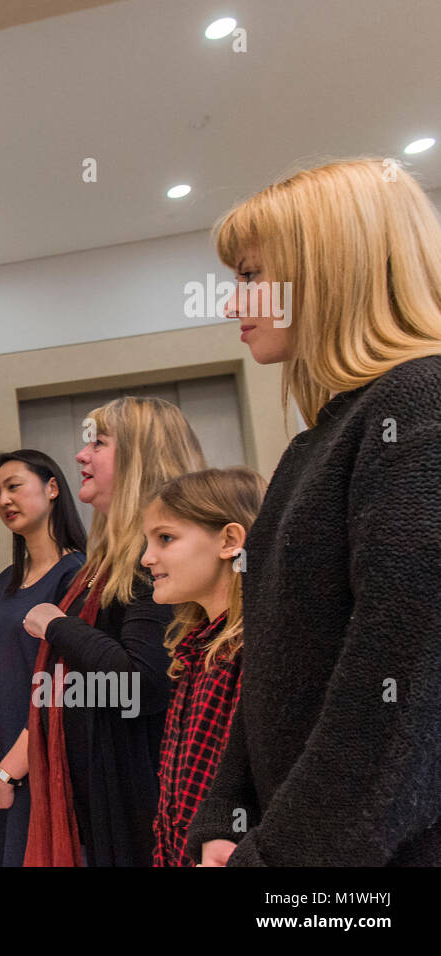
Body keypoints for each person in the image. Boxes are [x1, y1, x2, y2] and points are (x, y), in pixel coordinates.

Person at [186, 158, 441, 866]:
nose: (232, 304)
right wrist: (225, 815)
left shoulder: (419, 407)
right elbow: (279, 667)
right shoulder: (319, 441)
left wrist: (277, 862)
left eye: (250, 276)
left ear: (331, 270)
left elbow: (401, 693)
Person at [21, 396, 205, 866]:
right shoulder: (110, 560)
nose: (80, 456)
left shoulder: (155, 563)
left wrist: (57, 626)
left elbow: (140, 684)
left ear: (140, 456)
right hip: (106, 796)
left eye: (97, 444)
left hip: (138, 802)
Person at [0, 449, 86, 867]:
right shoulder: (5, 583)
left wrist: (8, 772)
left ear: (52, 488)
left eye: (14, 486)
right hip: (2, 755)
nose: (3, 500)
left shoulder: (78, 575)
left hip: (43, 761)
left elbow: (67, 689)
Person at [139, 468, 266, 866]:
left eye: (165, 538)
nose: (147, 558)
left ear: (229, 541)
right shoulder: (196, 650)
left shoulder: (255, 651)